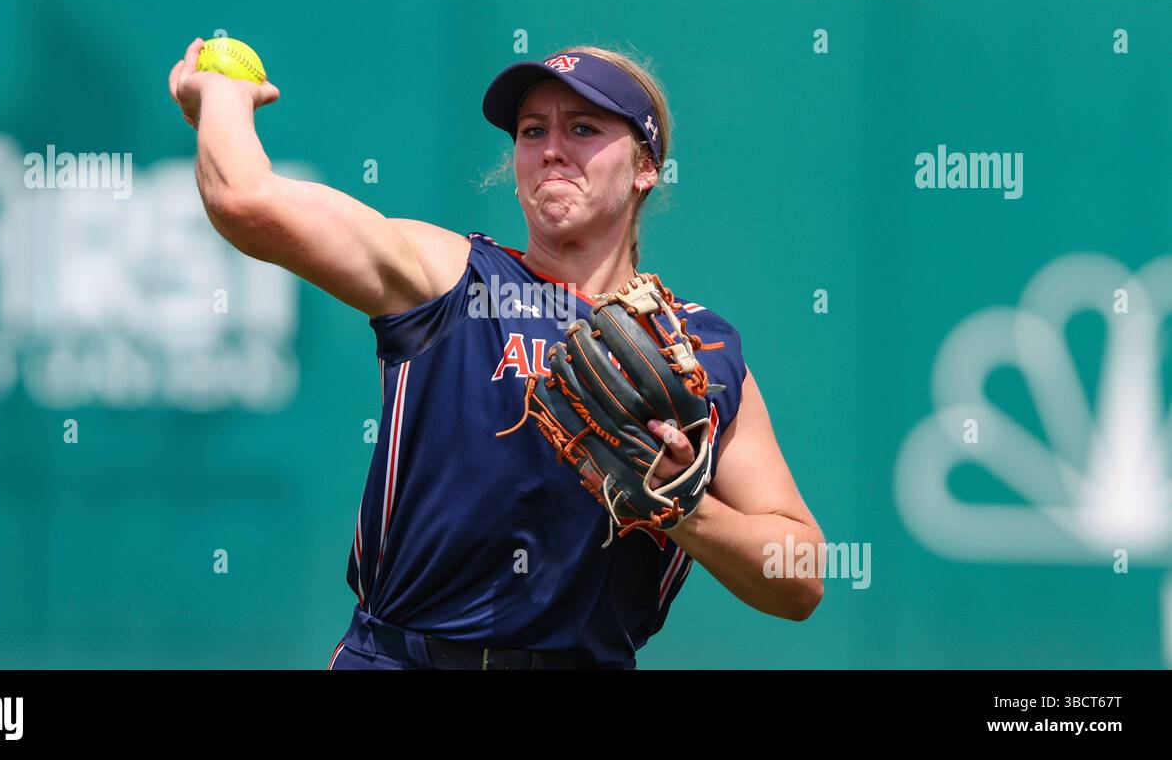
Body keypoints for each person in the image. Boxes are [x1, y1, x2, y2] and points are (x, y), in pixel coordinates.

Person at [169, 39, 825, 669]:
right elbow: (245, 201)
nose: (552, 150)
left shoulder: (695, 350)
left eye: (585, 129)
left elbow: (801, 576)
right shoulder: (449, 280)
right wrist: (221, 96)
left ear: (647, 166)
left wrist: (684, 508)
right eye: (532, 131)